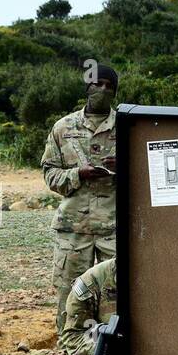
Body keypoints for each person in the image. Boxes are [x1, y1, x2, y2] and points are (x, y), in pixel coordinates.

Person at [43, 64, 118, 332]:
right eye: (98, 84)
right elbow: (50, 175)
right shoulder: (63, 127)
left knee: (118, 294)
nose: (103, 90)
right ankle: (70, 353)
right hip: (74, 229)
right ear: (87, 86)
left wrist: (125, 168)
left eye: (110, 86)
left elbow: (149, 175)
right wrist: (78, 174)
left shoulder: (126, 125)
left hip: (114, 228)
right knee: (70, 294)